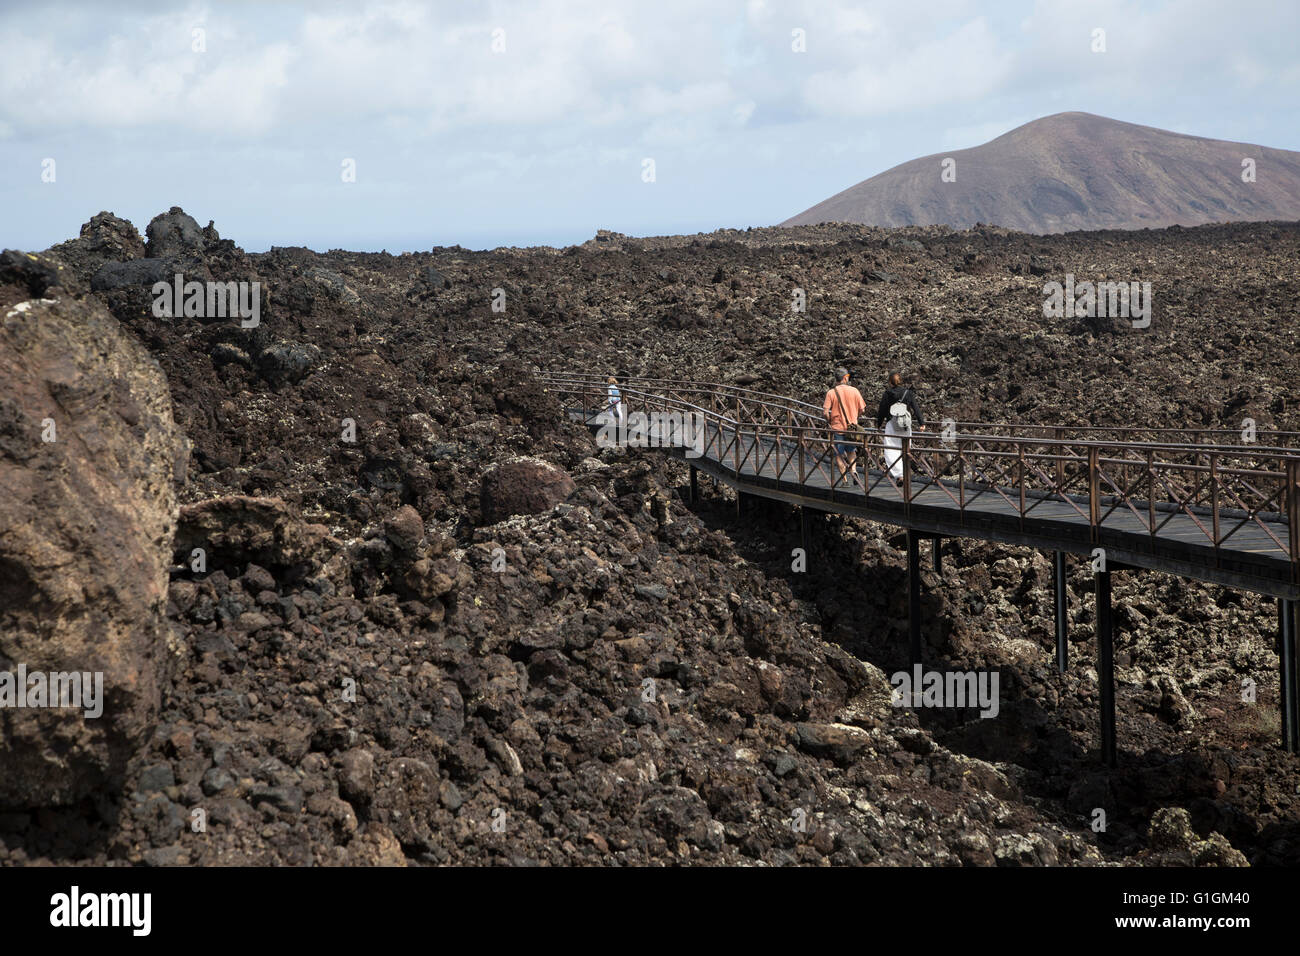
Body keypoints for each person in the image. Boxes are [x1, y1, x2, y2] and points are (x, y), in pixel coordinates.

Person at [875, 371, 924, 480]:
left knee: (891, 449)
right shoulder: (908, 393)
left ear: (890, 382)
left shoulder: (887, 393)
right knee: (905, 449)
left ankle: (899, 475)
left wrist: (878, 424)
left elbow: (882, 410)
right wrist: (922, 423)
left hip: (891, 425)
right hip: (905, 425)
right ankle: (905, 472)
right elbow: (916, 407)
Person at [823, 367, 867, 486]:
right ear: (845, 378)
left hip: (837, 429)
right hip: (851, 428)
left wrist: (830, 421)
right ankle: (853, 471)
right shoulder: (854, 391)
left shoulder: (831, 393)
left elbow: (825, 412)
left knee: (839, 454)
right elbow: (862, 409)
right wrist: (855, 417)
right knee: (851, 452)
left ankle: (844, 480)